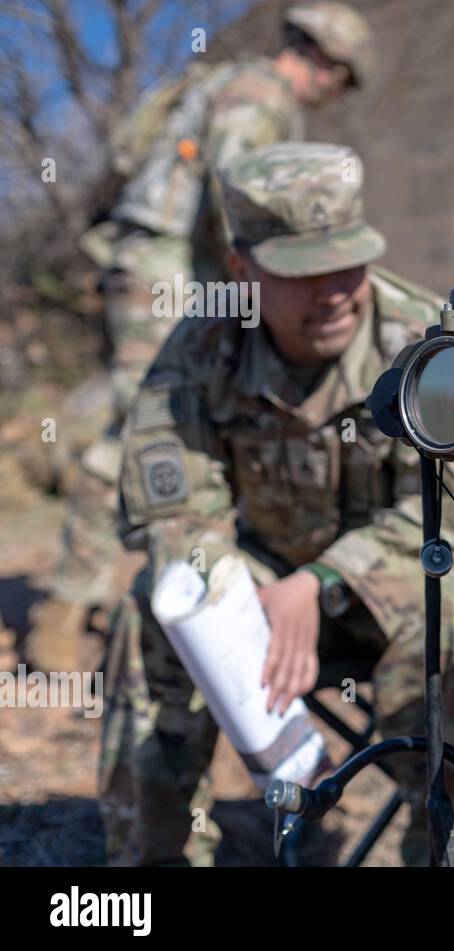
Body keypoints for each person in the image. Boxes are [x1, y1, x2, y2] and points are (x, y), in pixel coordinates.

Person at [97, 142, 454, 866]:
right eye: (302, 274)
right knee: (146, 612)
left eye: (347, 264)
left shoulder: (428, 346)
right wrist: (232, 594)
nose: (334, 293)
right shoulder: (198, 350)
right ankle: (148, 866)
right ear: (242, 272)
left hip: (397, 604)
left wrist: (322, 584)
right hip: (252, 615)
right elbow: (171, 512)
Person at [28, 1, 377, 672]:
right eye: (342, 80)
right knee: (142, 424)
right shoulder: (260, 95)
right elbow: (240, 202)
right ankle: (64, 610)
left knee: (149, 420)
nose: (338, 95)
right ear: (326, 62)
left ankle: (114, 590)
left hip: (168, 265)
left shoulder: (228, 82)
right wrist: (262, 290)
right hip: (171, 271)